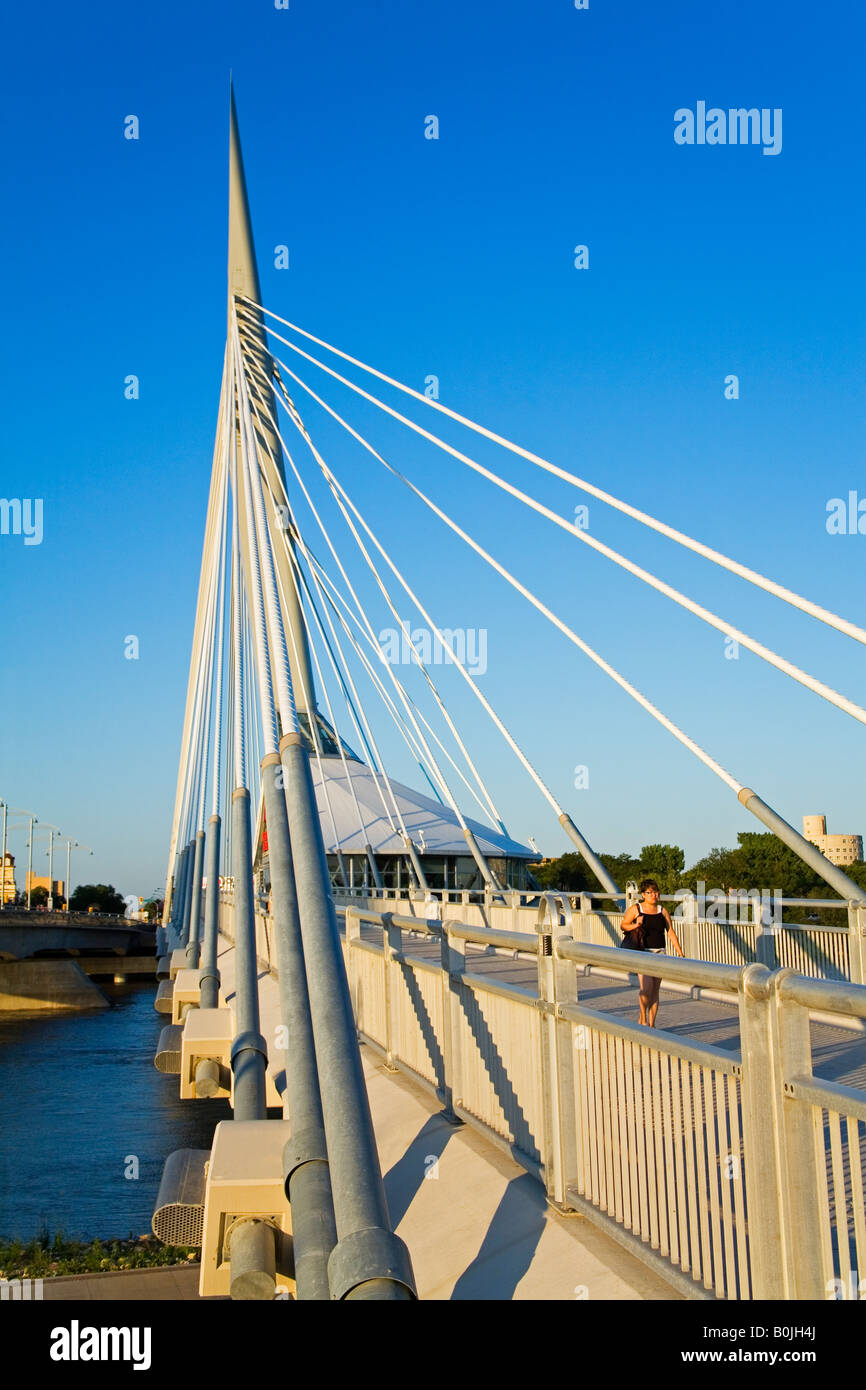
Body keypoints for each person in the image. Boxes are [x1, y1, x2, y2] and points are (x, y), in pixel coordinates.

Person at [621, 878, 684, 1027]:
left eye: (655, 892)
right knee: (646, 988)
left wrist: (680, 954)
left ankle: (652, 1024)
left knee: (655, 990)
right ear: (643, 894)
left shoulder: (662, 911)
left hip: (660, 953)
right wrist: (636, 924)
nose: (653, 895)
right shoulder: (636, 909)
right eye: (649, 892)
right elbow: (623, 926)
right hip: (643, 953)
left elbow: (670, 932)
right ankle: (642, 1018)